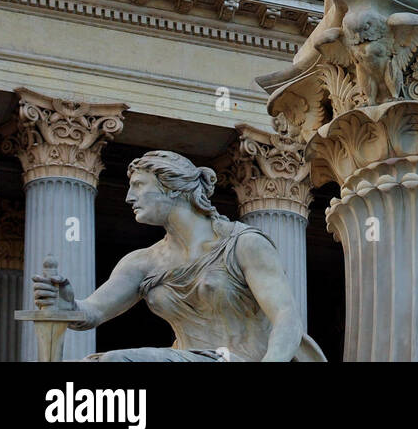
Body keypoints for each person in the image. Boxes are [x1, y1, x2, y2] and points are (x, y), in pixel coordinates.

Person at [32, 149, 325, 362]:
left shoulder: (243, 243)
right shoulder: (143, 262)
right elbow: (92, 312)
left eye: (138, 186)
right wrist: (66, 303)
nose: (128, 198)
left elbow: (286, 316)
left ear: (171, 188)